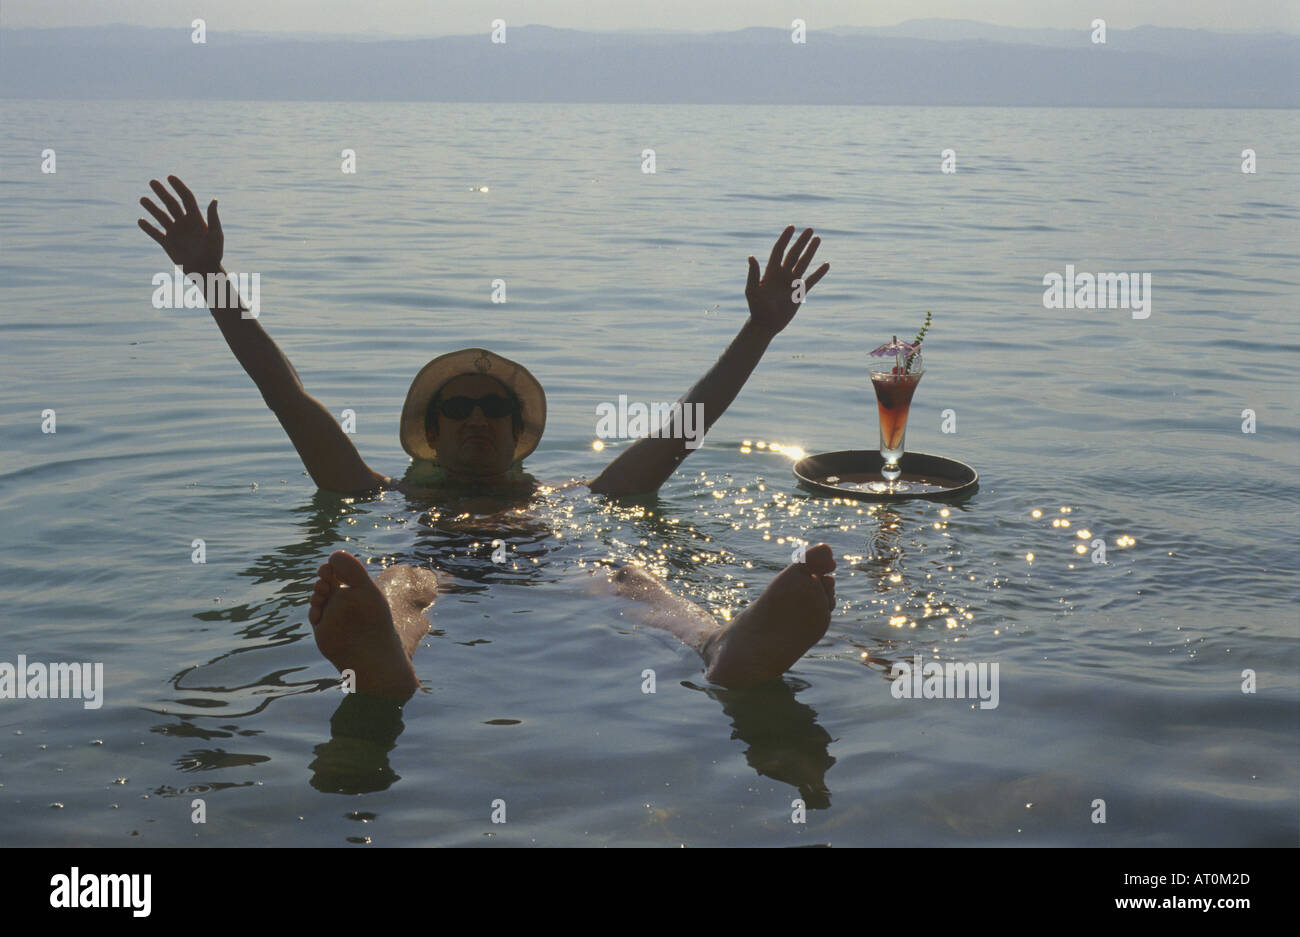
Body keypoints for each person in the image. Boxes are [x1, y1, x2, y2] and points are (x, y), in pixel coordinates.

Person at [139, 175, 837, 699]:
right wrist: (212, 279)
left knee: (627, 576)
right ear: (431, 435)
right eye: (459, 406)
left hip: (552, 566)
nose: (476, 416)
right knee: (399, 582)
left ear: (517, 430)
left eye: (494, 405)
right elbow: (285, 395)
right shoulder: (375, 490)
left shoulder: (576, 497)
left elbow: (687, 426)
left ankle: (721, 645)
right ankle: (389, 664)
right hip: (428, 562)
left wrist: (759, 329)